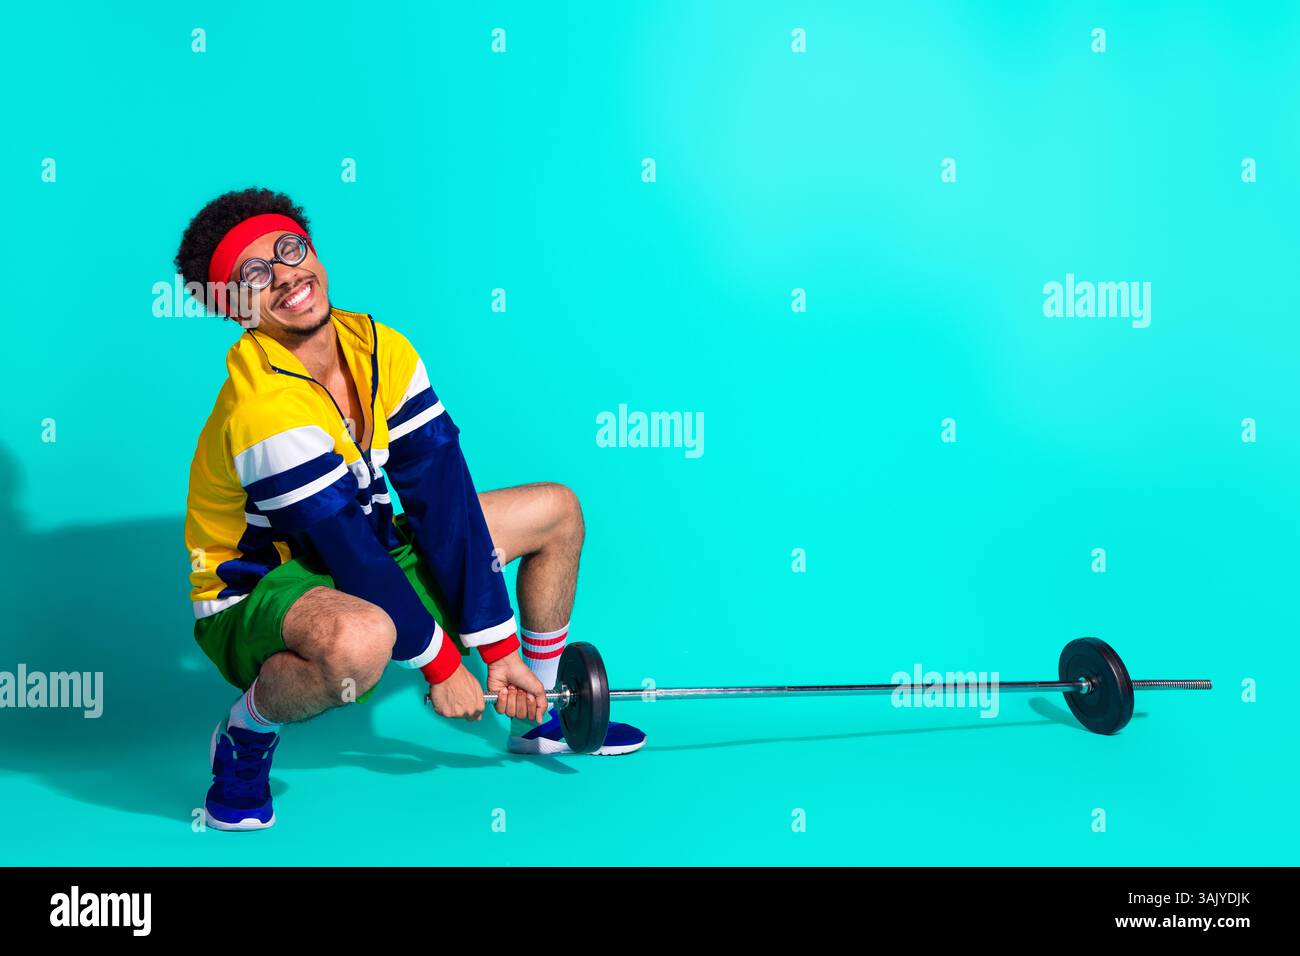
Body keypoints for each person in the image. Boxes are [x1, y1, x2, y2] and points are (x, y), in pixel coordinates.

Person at [177, 188, 645, 831]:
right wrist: (443, 665)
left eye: (290, 248)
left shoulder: (381, 347)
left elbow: (440, 498)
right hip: (257, 589)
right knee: (366, 640)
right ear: (232, 307)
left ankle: (539, 707)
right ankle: (244, 733)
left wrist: (500, 649)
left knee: (555, 510)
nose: (286, 276)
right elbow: (346, 552)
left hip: (359, 547)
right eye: (254, 274)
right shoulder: (262, 407)